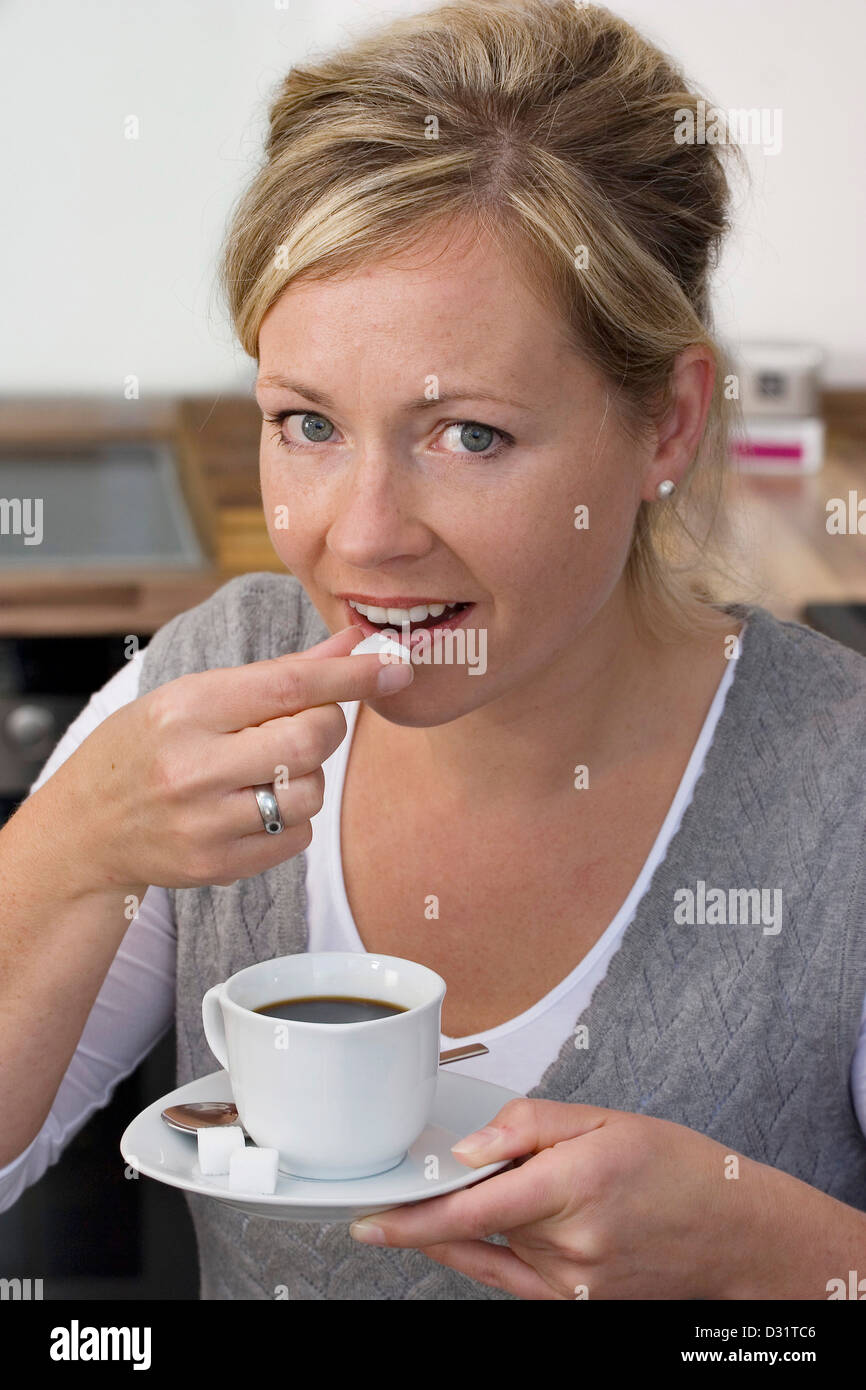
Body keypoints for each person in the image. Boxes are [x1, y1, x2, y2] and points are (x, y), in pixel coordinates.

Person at [1, 0, 865, 1300]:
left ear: (667, 425)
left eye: (467, 435)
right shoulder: (197, 685)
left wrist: (779, 1256)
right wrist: (60, 847)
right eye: (305, 423)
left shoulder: (839, 794)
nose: (360, 537)